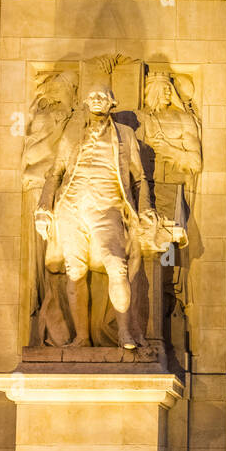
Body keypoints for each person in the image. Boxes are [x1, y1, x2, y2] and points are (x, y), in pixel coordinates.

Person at [36, 85, 155, 349]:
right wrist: (44, 207)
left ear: (112, 102)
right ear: (86, 103)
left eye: (102, 96)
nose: (97, 100)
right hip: (71, 207)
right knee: (74, 271)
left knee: (116, 265)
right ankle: (82, 337)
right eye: (92, 97)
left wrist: (146, 209)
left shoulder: (124, 135)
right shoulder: (71, 134)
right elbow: (55, 174)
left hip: (108, 206)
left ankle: (125, 332)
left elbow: (139, 178)